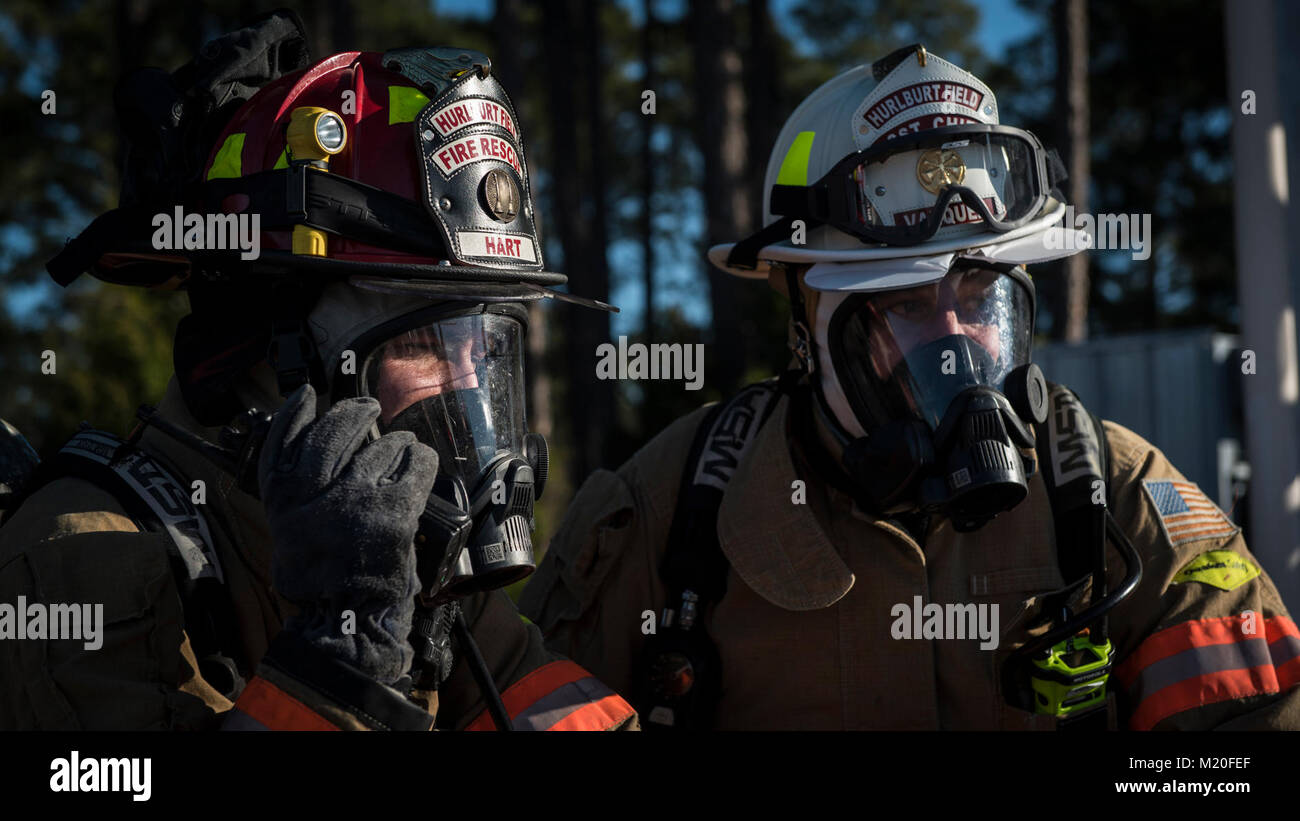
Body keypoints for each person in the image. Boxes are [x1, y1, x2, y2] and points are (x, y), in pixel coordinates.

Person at [520, 44, 1300, 730]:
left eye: (982, 294)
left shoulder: (1114, 496)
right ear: (806, 321)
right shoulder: (673, 508)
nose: (957, 343)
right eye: (904, 305)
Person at [0, 11, 636, 732]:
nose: (469, 393)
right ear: (277, 351)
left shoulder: (402, 548)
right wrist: (338, 664)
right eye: (425, 343)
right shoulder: (79, 559)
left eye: (484, 349)